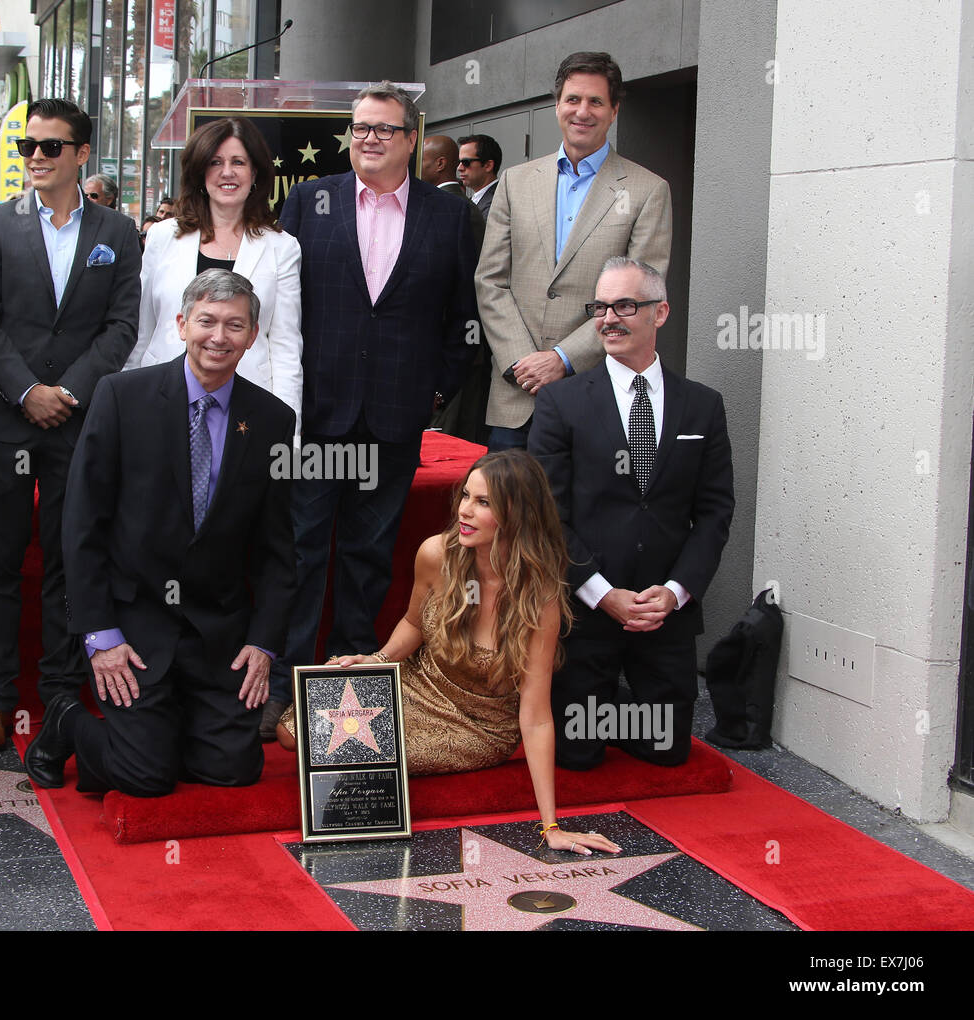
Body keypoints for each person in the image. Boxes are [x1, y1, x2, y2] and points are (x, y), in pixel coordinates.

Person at [24, 269, 296, 793]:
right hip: (135, 625)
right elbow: (81, 524)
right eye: (206, 321)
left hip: (218, 634)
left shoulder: (272, 420)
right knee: (144, 776)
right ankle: (66, 721)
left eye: (235, 325)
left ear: (253, 336)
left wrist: (263, 643)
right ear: (180, 324)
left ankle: (170, 730)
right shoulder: (122, 397)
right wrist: (101, 637)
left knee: (232, 771)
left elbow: (277, 548)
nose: (219, 336)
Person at [277, 450, 621, 857]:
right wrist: (378, 662)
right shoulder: (437, 554)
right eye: (465, 497)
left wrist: (552, 826)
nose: (466, 512)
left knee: (338, 743)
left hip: (478, 724)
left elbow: (536, 714)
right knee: (293, 728)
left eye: (484, 502)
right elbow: (413, 623)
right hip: (420, 681)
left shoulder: (538, 594)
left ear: (518, 515)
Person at [266, 81, 478, 737]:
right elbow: (282, 307)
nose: (370, 139)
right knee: (302, 550)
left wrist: (434, 389)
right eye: (360, 128)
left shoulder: (449, 218)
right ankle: (287, 683)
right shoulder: (310, 201)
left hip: (393, 417)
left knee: (368, 553)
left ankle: (348, 678)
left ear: (411, 140)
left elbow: (463, 318)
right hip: (318, 415)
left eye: (384, 128)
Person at [0, 98, 142, 755]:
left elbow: (122, 325)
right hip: (8, 422)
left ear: (81, 153)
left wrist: (67, 391)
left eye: (51, 147)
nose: (35, 157)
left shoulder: (117, 232)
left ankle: (61, 696)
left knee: (71, 559)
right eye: (27, 147)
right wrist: (27, 391)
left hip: (80, 422)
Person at [528, 257, 734, 769]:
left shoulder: (702, 406)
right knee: (577, 756)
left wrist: (676, 592)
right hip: (586, 609)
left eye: (625, 305)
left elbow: (714, 511)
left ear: (660, 312)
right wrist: (602, 594)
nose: (608, 319)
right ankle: (589, 707)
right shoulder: (560, 403)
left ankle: (624, 711)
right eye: (600, 307)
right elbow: (547, 515)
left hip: (664, 611)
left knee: (667, 752)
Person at [477, 51, 672, 451]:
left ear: (614, 110)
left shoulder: (647, 190)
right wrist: (522, 361)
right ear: (557, 106)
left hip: (595, 392)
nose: (582, 111)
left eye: (596, 102)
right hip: (517, 395)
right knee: (507, 513)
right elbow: (490, 281)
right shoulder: (515, 182)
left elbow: (637, 298)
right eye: (573, 99)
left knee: (582, 513)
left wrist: (562, 359)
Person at [127, 117, 302, 428]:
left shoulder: (282, 247)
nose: (227, 172)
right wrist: (126, 405)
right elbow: (142, 330)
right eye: (215, 162)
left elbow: (285, 344)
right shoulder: (163, 236)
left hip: (248, 405)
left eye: (239, 162)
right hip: (162, 399)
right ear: (199, 171)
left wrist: (290, 432)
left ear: (255, 172)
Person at [421, 134, 485, 251]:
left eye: (421, 161)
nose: (417, 167)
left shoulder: (456, 208)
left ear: (440, 164)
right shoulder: (458, 205)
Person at [457, 133, 501, 219]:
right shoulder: (473, 200)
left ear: (488, 165)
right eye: (459, 162)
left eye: (466, 162)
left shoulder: (498, 202)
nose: (459, 168)